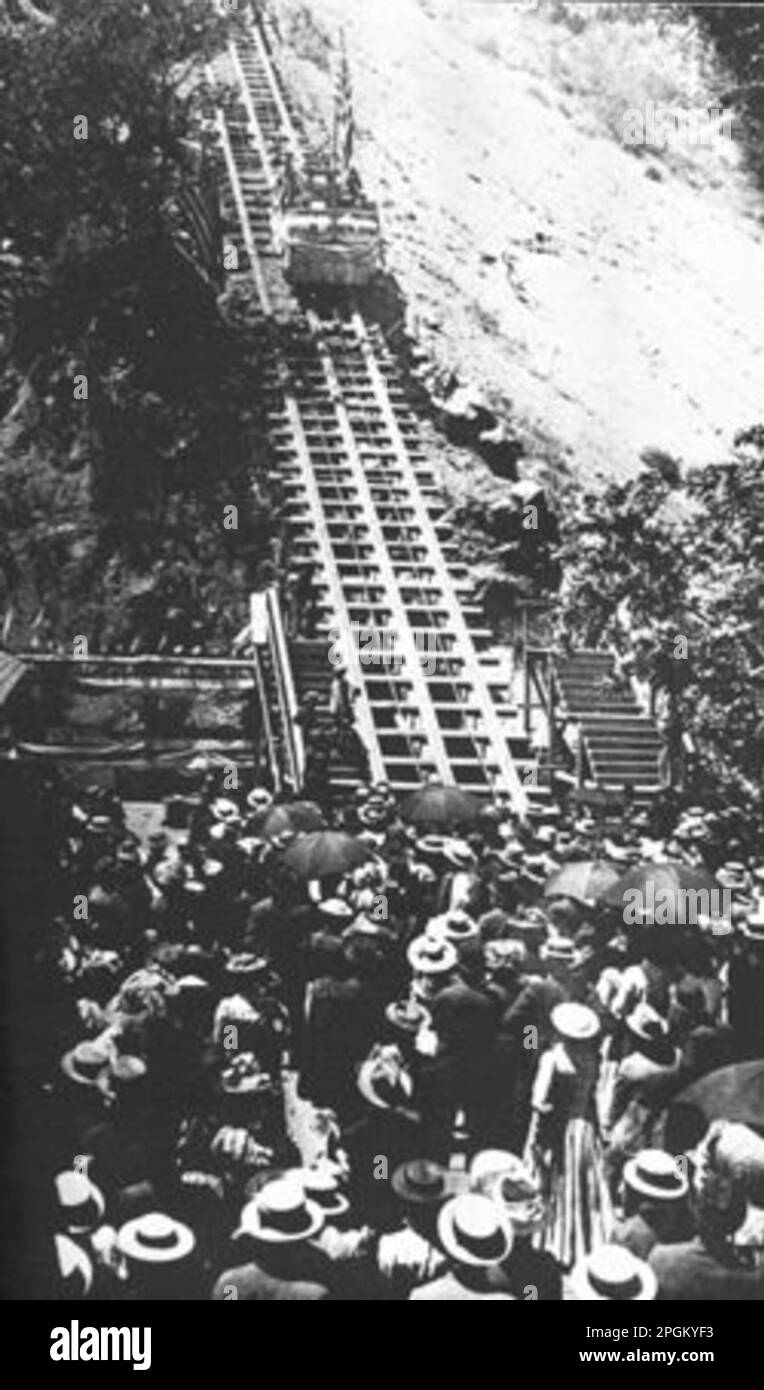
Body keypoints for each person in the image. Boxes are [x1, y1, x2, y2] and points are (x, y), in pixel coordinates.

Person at [525, 1002, 613, 1269]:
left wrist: (537, 1142)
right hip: (585, 1127)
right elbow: (595, 1098)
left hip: (559, 1129)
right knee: (583, 1187)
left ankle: (551, 1239)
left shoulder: (552, 1059)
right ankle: (582, 1240)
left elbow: (540, 1102)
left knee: (553, 1184)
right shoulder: (594, 1059)